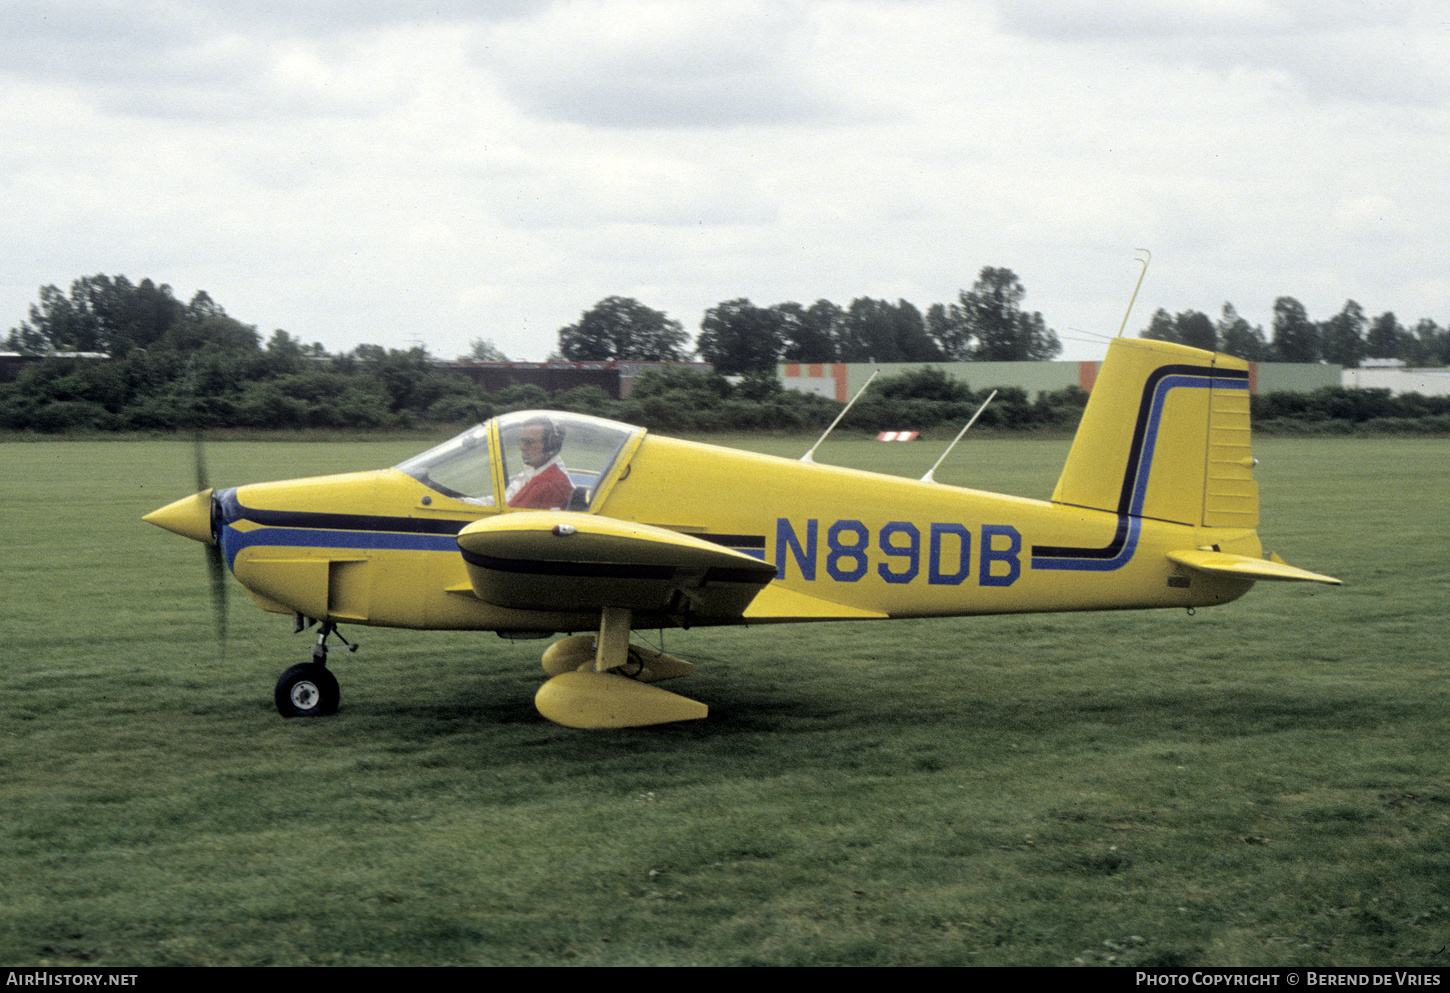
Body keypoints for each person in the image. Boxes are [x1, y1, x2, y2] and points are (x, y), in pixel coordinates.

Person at [506, 416, 574, 509]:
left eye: (528, 442)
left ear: (550, 446)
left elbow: (507, 513)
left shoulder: (546, 484)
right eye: (522, 441)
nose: (521, 447)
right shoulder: (536, 472)